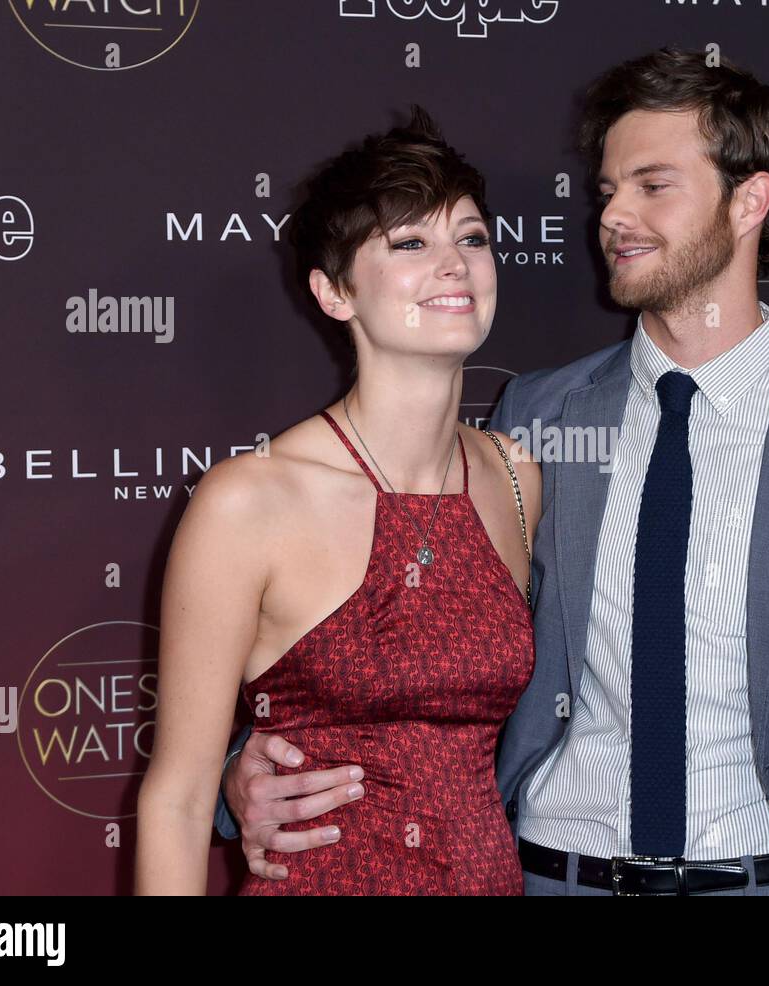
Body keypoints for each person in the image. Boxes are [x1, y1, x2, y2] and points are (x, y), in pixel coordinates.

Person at [213, 46, 769, 895]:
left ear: (750, 199)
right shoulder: (533, 425)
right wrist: (253, 767)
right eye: (608, 191)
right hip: (549, 880)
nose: (615, 216)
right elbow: (411, 655)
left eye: (653, 185)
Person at [134, 106, 540, 895]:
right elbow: (178, 801)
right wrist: (232, 779)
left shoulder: (516, 479)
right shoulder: (249, 500)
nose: (454, 264)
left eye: (472, 238)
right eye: (411, 243)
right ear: (333, 292)